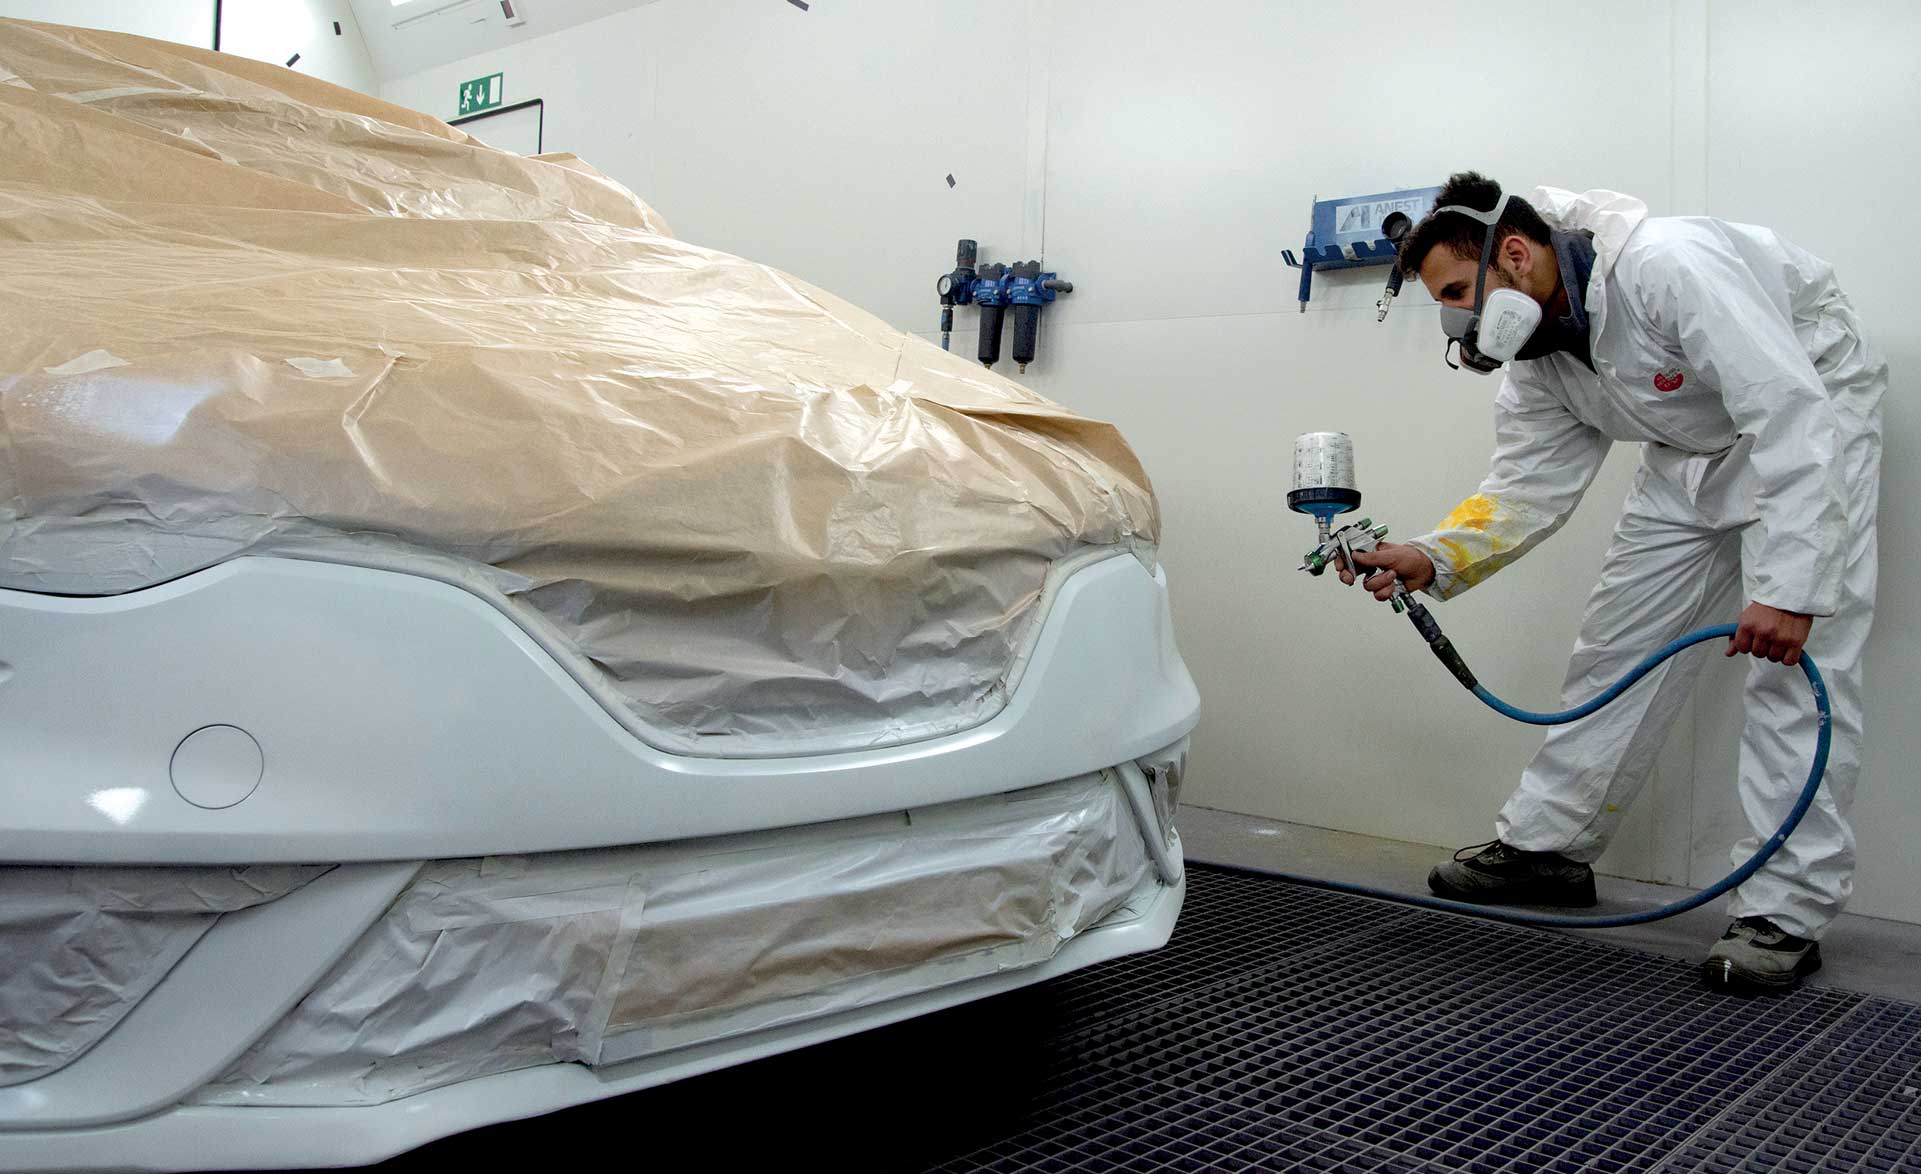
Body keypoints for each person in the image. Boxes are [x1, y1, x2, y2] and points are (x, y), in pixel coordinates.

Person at [1344, 172, 1885, 992]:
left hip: (1812, 422)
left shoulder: (1666, 265)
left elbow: (1785, 408)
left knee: (1792, 679)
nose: (1456, 319)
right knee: (1616, 648)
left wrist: (1790, 589)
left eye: (1456, 292)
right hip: (1686, 454)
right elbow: (1524, 486)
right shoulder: (1540, 357)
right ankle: (1547, 850)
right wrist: (1434, 554)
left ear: (1513, 254)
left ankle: (1784, 910)